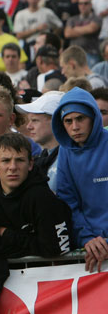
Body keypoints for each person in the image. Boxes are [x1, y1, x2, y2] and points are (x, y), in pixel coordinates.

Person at [0, 132, 72, 259]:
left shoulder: (42, 196)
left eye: (19, 160)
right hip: (0, 273)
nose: (13, 167)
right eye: (6, 161)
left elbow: (54, 248)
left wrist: (7, 234)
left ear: (30, 164)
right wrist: (29, 244)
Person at [52, 87, 108, 272]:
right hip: (90, 246)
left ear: (93, 117)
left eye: (80, 119)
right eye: (68, 121)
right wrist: (87, 238)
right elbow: (67, 202)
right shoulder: (65, 151)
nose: (74, 127)